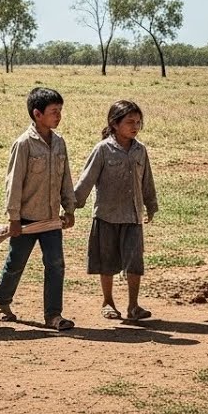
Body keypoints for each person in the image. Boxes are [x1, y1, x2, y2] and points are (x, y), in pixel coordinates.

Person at [0, 87, 77, 331]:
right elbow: (14, 182)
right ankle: (1, 301)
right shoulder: (23, 144)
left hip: (51, 219)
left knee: (56, 264)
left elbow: (66, 179)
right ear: (37, 114)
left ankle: (53, 315)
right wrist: (13, 218)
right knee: (16, 261)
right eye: (53, 112)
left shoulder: (60, 143)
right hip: (26, 219)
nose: (58, 116)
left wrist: (69, 209)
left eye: (60, 111)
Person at [73, 100, 159, 321]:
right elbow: (86, 180)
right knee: (107, 261)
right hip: (106, 216)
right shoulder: (102, 149)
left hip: (132, 216)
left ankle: (133, 306)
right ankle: (108, 302)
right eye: (130, 121)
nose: (135, 126)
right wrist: (71, 206)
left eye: (138, 122)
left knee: (135, 262)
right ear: (114, 124)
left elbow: (146, 181)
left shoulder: (141, 151)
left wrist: (150, 205)